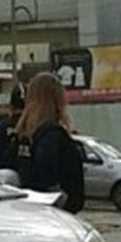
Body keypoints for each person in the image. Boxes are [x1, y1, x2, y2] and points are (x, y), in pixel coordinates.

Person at [12, 73, 85, 214]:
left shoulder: (22, 135)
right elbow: (45, 160)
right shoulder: (52, 133)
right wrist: (56, 192)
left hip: (31, 207)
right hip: (57, 210)